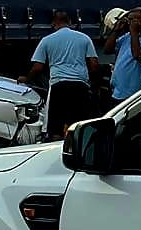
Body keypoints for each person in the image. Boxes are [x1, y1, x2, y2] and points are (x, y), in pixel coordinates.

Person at [22, 10, 98, 141]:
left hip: (59, 86)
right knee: (80, 125)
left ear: (53, 24)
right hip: (80, 86)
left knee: (56, 126)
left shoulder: (47, 40)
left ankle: (56, 151)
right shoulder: (84, 38)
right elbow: (94, 65)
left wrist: (27, 79)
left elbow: (38, 67)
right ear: (70, 22)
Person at [104, 6, 141, 108]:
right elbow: (107, 50)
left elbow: (137, 55)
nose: (128, 22)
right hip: (118, 90)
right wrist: (116, 31)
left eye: (132, 20)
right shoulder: (127, 36)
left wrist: (134, 33)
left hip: (134, 93)